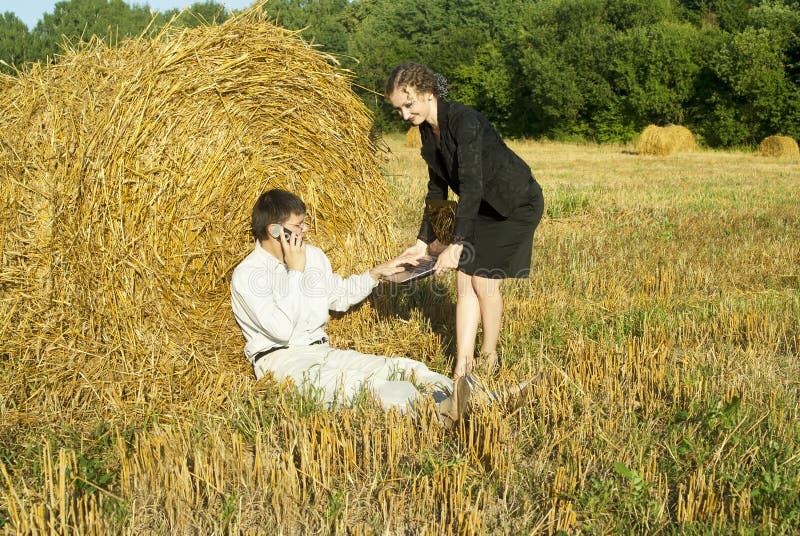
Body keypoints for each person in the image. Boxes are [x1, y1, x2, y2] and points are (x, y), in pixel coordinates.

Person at [230, 189, 470, 426]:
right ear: (275, 231)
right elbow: (280, 331)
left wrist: (377, 273)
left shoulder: (313, 256)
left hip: (321, 351)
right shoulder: (249, 274)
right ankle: (437, 412)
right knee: (357, 385)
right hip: (281, 361)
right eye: (298, 225)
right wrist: (295, 272)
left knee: (403, 367)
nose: (306, 230)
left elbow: (340, 296)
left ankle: (466, 397)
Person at [386, 62, 545, 379]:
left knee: (483, 280)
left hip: (514, 204)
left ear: (427, 92)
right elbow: (437, 189)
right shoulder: (427, 131)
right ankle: (463, 365)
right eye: (399, 109)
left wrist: (456, 244)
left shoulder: (464, 121)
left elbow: (472, 185)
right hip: (481, 207)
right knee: (463, 282)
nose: (405, 115)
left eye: (408, 105)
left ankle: (489, 357)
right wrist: (422, 242)